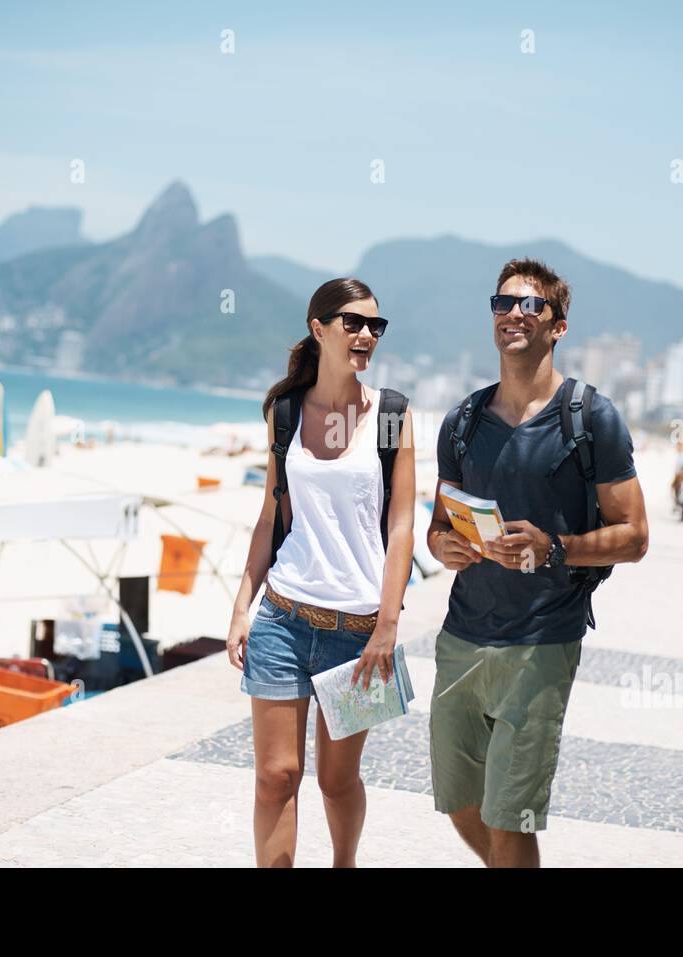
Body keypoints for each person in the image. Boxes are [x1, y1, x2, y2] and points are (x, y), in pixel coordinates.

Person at [427, 258, 648, 867]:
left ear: (559, 327)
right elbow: (439, 525)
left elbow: (635, 535)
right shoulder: (463, 422)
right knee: (459, 802)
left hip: (542, 641)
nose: (514, 315)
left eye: (530, 306)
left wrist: (558, 547)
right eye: (502, 304)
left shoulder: (591, 419)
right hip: (463, 635)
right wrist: (444, 545)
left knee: (511, 818)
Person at [225, 278, 415, 868]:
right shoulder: (284, 412)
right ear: (319, 329)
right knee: (277, 777)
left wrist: (387, 625)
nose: (365, 335)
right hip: (283, 616)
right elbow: (270, 516)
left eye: (375, 326)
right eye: (352, 322)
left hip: (358, 633)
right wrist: (242, 605)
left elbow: (403, 527)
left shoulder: (390, 415)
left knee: (337, 781)